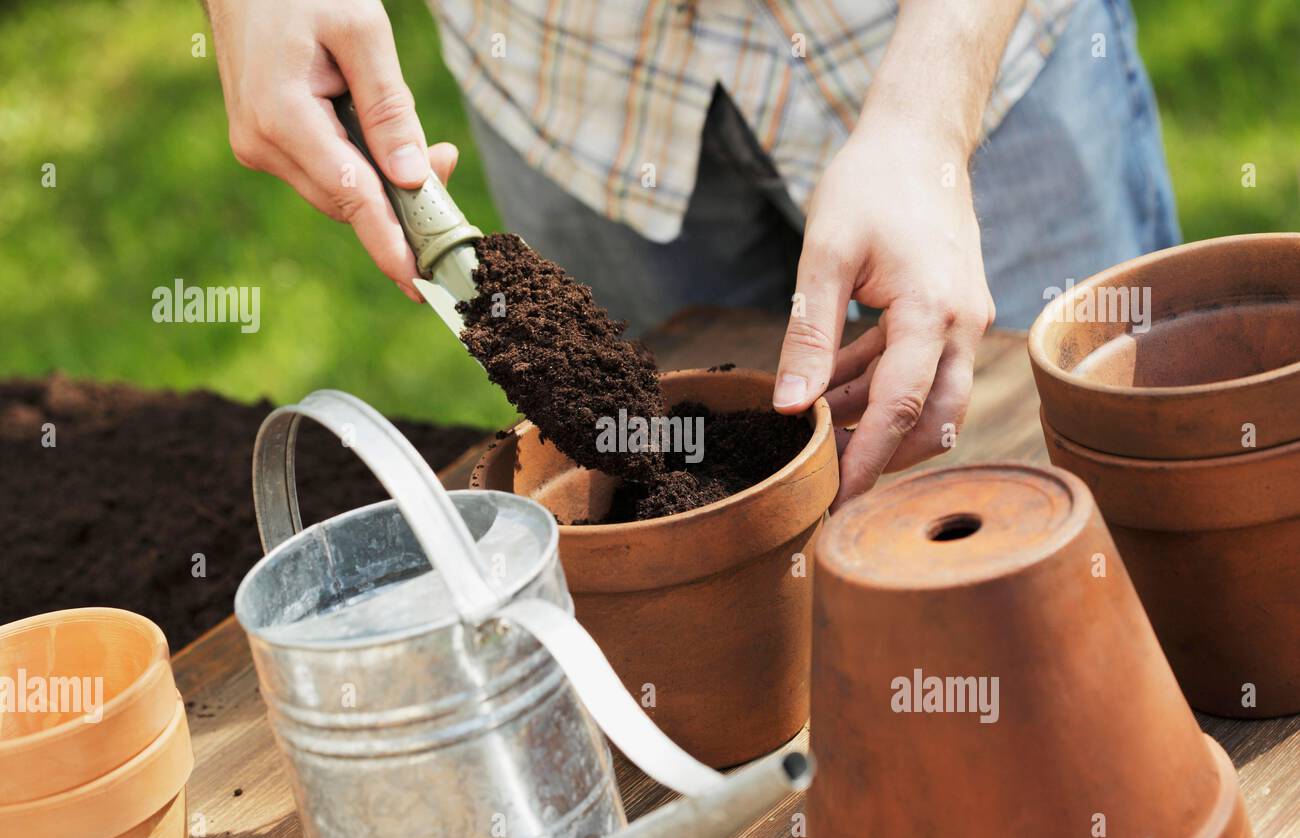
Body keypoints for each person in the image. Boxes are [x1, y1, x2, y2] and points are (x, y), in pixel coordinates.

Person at [205, 0, 1178, 508]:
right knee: (661, 459)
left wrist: (930, 124)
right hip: (574, 79)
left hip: (944, 48)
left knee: (1102, 499)